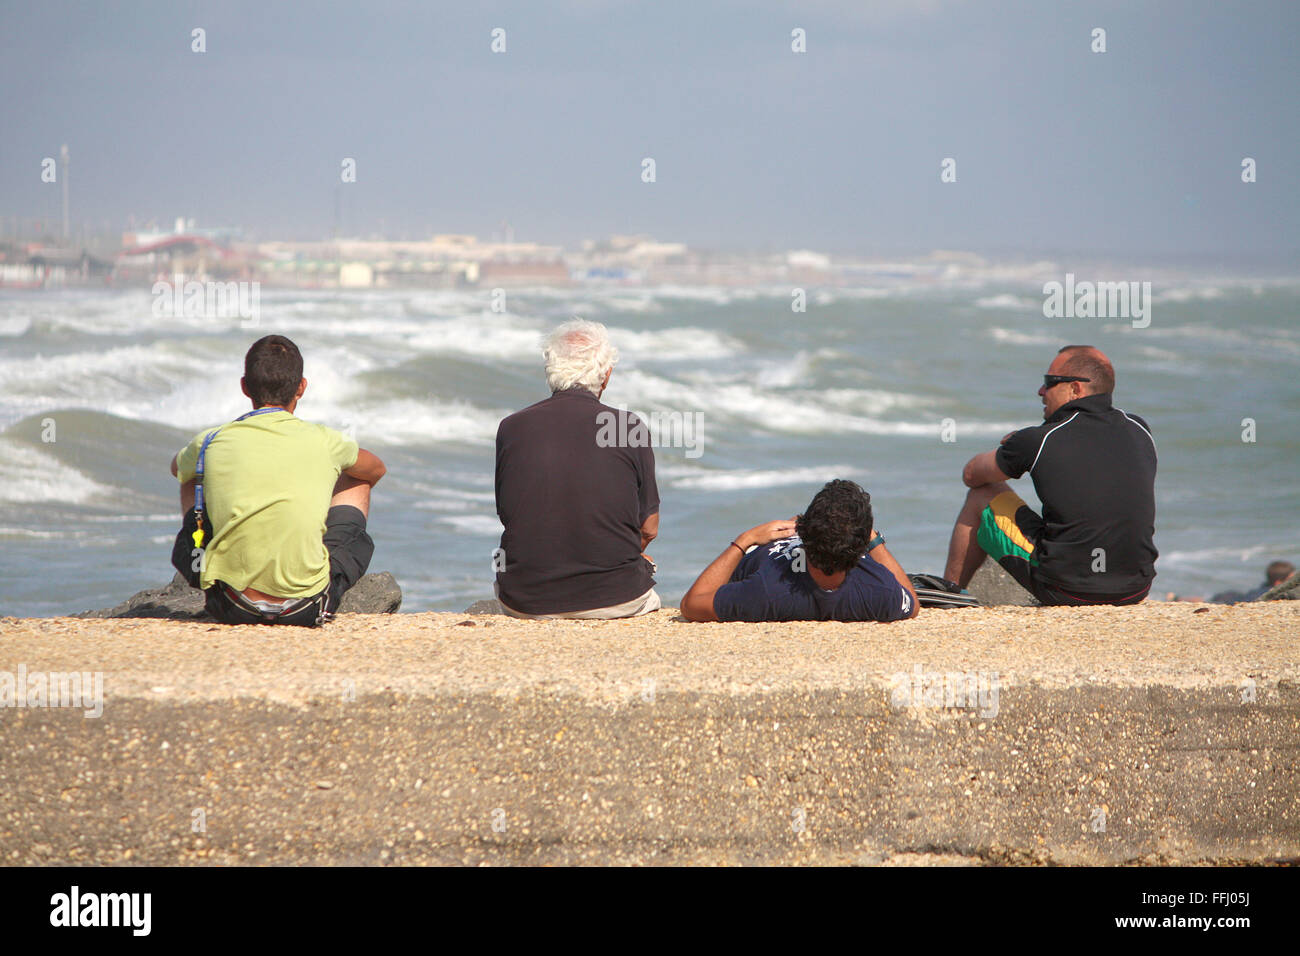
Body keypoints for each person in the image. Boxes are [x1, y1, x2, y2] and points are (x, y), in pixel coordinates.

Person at [169, 335, 386, 626]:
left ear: (245, 386)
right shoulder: (326, 441)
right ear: (302, 387)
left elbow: (176, 468)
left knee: (191, 475)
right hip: (305, 608)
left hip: (230, 605)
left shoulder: (210, 440)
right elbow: (376, 470)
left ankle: (218, 568)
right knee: (356, 479)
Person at [942, 345, 1156, 606]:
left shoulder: (1038, 440)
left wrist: (1014, 449)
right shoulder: (1140, 430)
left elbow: (972, 474)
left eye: (1049, 383)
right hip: (1135, 588)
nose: (1041, 391)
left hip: (1066, 588)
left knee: (981, 496)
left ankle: (948, 598)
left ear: (1076, 388)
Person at [493, 318, 660, 619]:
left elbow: (509, 515)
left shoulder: (512, 427)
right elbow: (649, 527)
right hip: (616, 596)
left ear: (550, 371)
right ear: (606, 375)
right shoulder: (626, 427)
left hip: (524, 599)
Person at [680, 479, 919, 622]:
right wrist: (875, 542)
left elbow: (692, 605)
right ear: (858, 549)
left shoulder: (767, 588)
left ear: (805, 531)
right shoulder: (877, 590)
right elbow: (912, 602)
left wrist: (745, 540)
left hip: (773, 551)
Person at [1210, 560, 1296, 603]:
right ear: (1278, 583)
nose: (1295, 583)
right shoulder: (1269, 595)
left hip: (1233, 596)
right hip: (1231, 599)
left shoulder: (1265, 588)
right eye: (1291, 580)